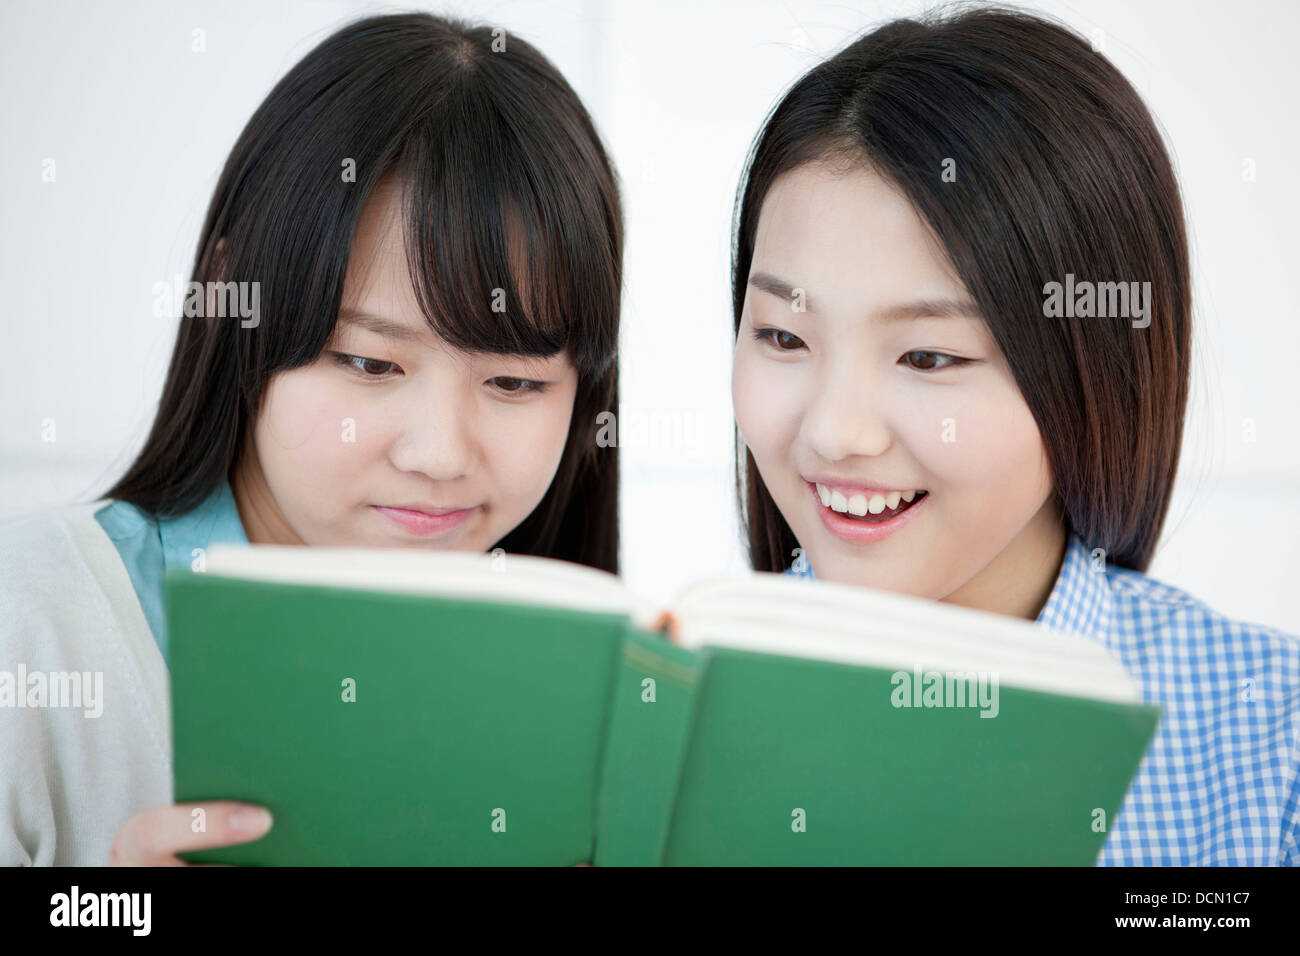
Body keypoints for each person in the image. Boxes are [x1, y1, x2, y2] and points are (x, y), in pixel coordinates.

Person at [0, 11, 623, 866]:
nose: (440, 454)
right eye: (369, 363)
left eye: (514, 383)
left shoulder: (578, 701)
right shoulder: (35, 629)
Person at [728, 7, 1300, 865]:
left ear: (1092, 369)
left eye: (928, 356)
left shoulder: (1271, 750)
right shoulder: (662, 718)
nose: (834, 433)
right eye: (782, 336)